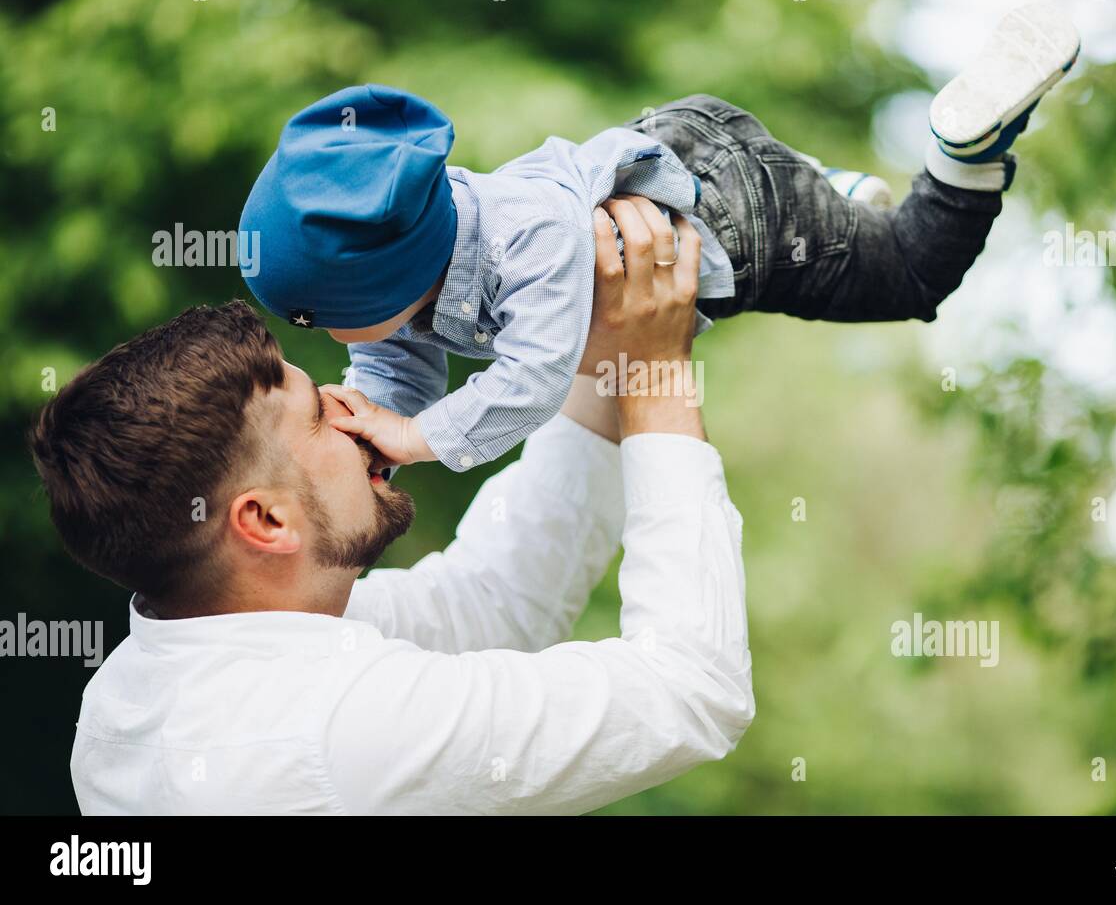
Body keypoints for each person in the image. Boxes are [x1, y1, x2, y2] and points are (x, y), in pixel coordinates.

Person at [29, 201, 753, 814]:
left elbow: (496, 602)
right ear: (266, 522)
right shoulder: (334, 727)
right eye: (318, 414)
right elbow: (689, 690)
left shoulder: (149, 682)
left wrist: (610, 352)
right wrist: (657, 374)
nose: (353, 408)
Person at [237, 3, 1080, 474]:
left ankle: (960, 155)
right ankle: (837, 193)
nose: (319, 343)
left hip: (743, 222)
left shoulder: (526, 241)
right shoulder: (421, 262)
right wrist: (376, 433)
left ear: (375, 292)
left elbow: (532, 382)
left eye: (316, 322)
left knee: (905, 277)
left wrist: (420, 442)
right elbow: (397, 366)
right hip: (697, 161)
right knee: (824, 218)